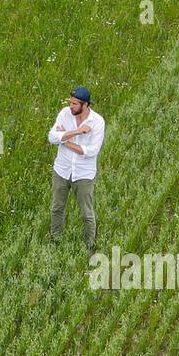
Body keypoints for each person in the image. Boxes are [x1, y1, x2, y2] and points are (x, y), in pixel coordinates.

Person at [48, 86, 106, 252]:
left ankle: (90, 245)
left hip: (84, 174)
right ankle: (55, 239)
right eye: (70, 102)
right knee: (57, 208)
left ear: (85, 104)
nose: (70, 106)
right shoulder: (65, 113)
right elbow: (52, 137)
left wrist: (64, 139)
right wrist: (77, 132)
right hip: (62, 169)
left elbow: (91, 151)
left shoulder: (97, 122)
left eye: (74, 104)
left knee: (87, 212)